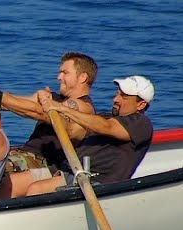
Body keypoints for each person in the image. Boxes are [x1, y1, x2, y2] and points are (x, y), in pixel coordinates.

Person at [0, 52, 98, 197]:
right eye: (59, 72)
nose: (59, 77)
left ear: (83, 77)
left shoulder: (84, 107)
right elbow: (20, 103)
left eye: (65, 72)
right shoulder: (52, 97)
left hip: (43, 162)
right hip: (24, 155)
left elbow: (41, 113)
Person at [24, 76, 154, 196]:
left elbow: (106, 127)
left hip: (92, 180)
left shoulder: (141, 124)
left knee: (36, 189)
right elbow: (73, 129)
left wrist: (62, 108)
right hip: (66, 168)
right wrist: (48, 104)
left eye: (124, 97)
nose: (116, 99)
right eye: (117, 94)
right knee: (12, 182)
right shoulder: (104, 117)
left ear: (140, 104)